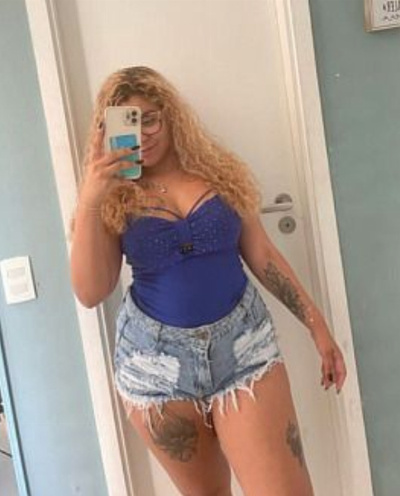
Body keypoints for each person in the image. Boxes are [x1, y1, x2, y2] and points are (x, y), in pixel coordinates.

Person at [70, 66, 346, 496]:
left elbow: (262, 254)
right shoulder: (111, 197)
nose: (142, 135)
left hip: (245, 351)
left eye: (150, 119)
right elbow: (91, 292)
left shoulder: (217, 173)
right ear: (107, 132)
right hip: (156, 368)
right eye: (129, 124)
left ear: (170, 115)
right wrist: (91, 197)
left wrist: (318, 326)